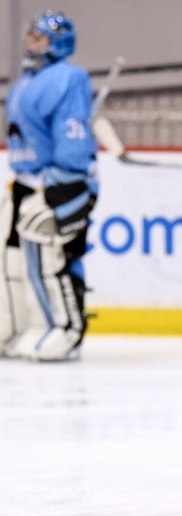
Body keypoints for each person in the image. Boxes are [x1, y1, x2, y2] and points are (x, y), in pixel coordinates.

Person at [1, 10, 97, 361]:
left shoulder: (68, 78)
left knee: (51, 258)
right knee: (12, 261)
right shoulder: (27, 79)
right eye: (30, 36)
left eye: (39, 38)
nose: (31, 43)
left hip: (54, 182)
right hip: (25, 182)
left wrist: (65, 183)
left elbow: (71, 135)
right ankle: (17, 327)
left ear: (58, 43)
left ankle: (67, 327)